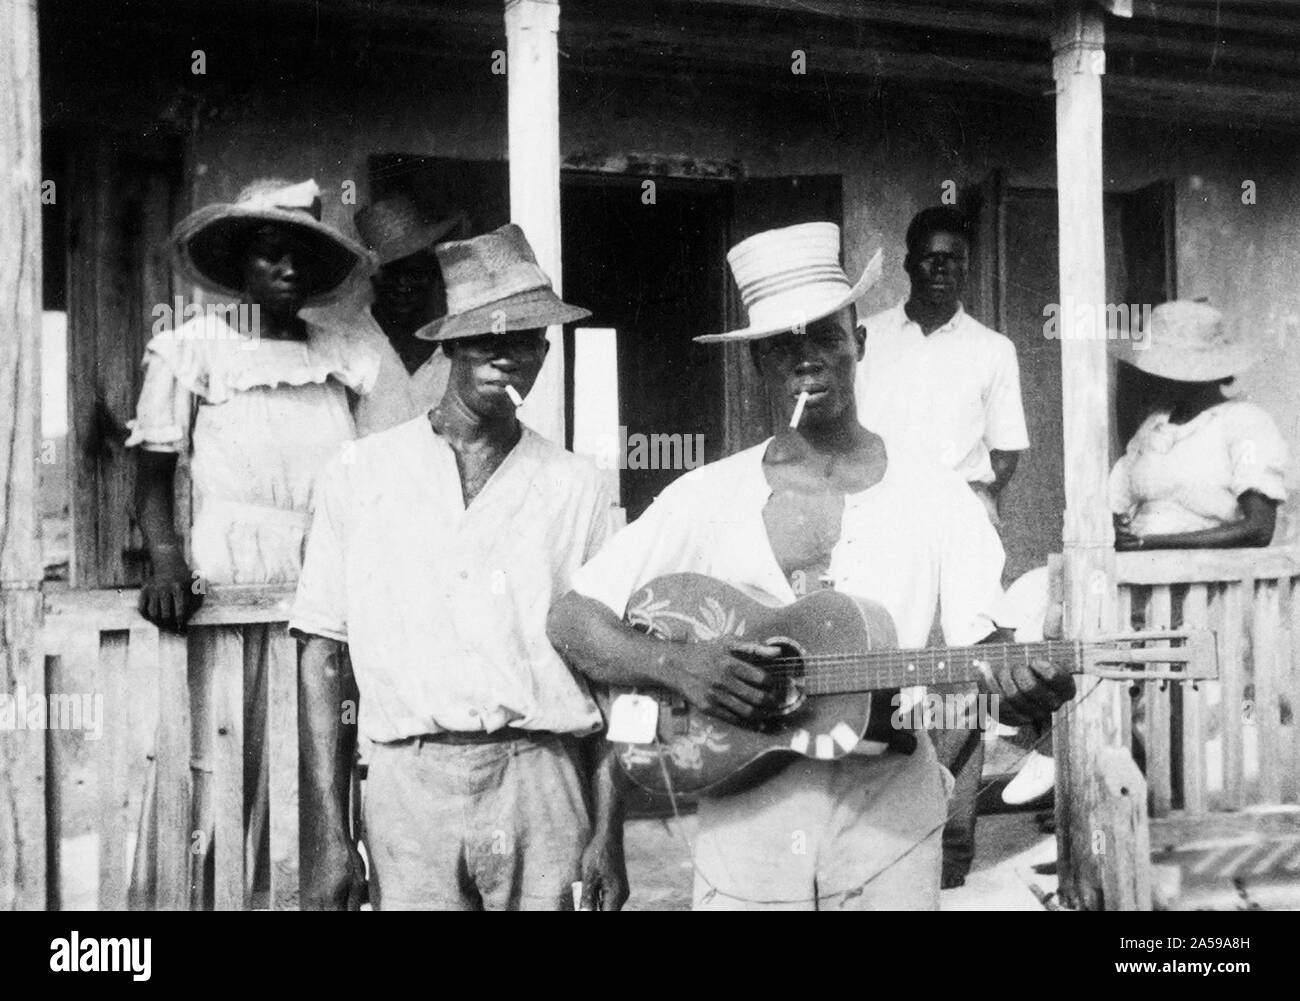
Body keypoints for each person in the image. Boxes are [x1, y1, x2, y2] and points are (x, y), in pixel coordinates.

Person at [547, 222, 1074, 911]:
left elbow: (986, 647)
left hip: (889, 803)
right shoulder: (710, 495)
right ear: (757, 362)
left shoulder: (936, 491)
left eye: (826, 335)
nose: (809, 360)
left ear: (860, 342)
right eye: (784, 346)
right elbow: (571, 617)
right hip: (747, 799)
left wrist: (1020, 685)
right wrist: (681, 666)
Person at [290, 223, 627, 911]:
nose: (507, 356)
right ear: (448, 343)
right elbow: (324, 654)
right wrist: (330, 831)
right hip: (409, 787)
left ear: (544, 348)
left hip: (543, 779)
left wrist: (610, 832)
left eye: (526, 337)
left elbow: (613, 670)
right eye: (485, 336)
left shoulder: (578, 486)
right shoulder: (362, 475)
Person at [127, 177, 386, 907]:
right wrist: (169, 562)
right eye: (271, 254)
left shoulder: (344, 356)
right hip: (228, 577)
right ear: (240, 261)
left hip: (321, 584)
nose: (288, 270)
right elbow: (150, 479)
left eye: (302, 256)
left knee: (315, 760)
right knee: (218, 754)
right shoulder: (193, 350)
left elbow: (370, 482)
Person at [854, 205, 1030, 886]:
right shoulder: (869, 337)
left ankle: (950, 849)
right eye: (929, 257)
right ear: (907, 263)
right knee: (879, 670)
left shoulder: (992, 349)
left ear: (966, 266)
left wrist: (959, 503)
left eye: (954, 258)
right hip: (878, 526)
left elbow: (1007, 453)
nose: (941, 268)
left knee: (962, 678)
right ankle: (880, 838)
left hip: (959, 529)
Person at [1110, 300, 1286, 552]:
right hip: (1142, 570)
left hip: (1210, 577)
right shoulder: (1156, 424)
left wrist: (1150, 544)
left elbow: (1259, 529)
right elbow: (1117, 500)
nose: (1156, 377)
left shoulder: (1244, 423)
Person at [307, 194, 464, 433]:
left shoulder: (455, 344)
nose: (402, 284)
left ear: (433, 273)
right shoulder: (348, 342)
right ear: (371, 277)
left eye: (414, 272)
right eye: (391, 272)